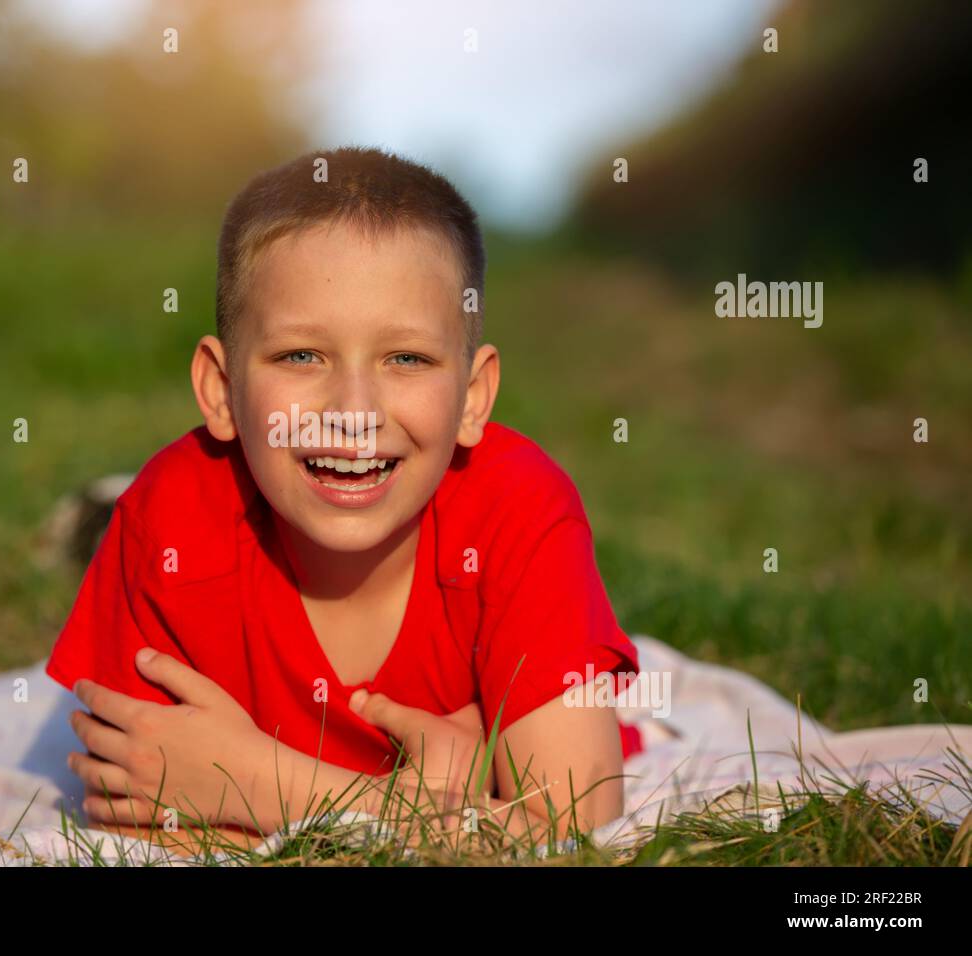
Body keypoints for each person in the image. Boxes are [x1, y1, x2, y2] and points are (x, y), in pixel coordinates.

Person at [47, 146, 641, 848]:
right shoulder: (169, 520)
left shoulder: (518, 505)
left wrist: (257, 782)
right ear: (219, 388)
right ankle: (95, 519)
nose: (354, 411)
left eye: (407, 358)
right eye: (301, 356)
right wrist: (436, 812)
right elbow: (131, 817)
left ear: (474, 397)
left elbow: (569, 837)